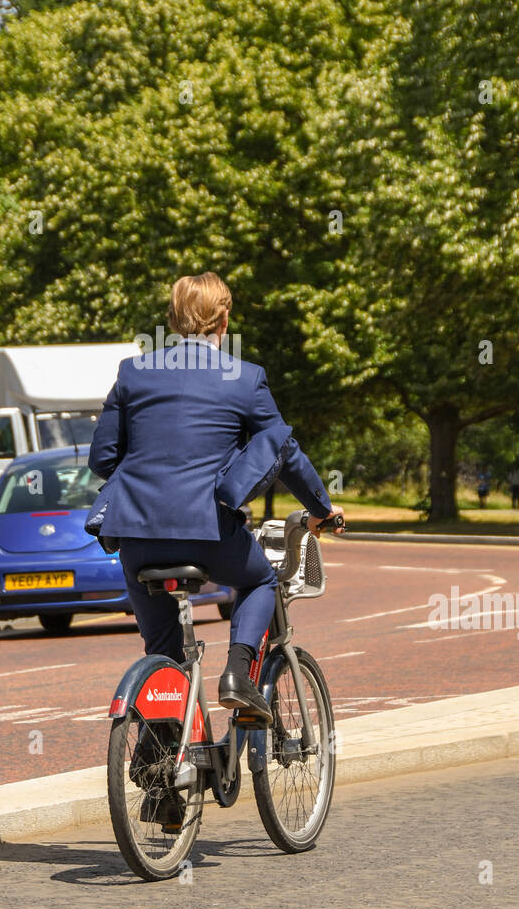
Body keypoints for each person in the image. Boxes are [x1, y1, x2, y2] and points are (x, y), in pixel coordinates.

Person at [86, 272, 344, 726]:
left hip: (137, 537)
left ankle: (160, 763)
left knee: (163, 655)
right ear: (224, 320)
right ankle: (238, 677)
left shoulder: (133, 372)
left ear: (172, 319)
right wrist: (323, 511)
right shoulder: (246, 378)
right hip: (207, 532)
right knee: (260, 580)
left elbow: (104, 458)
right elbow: (284, 450)